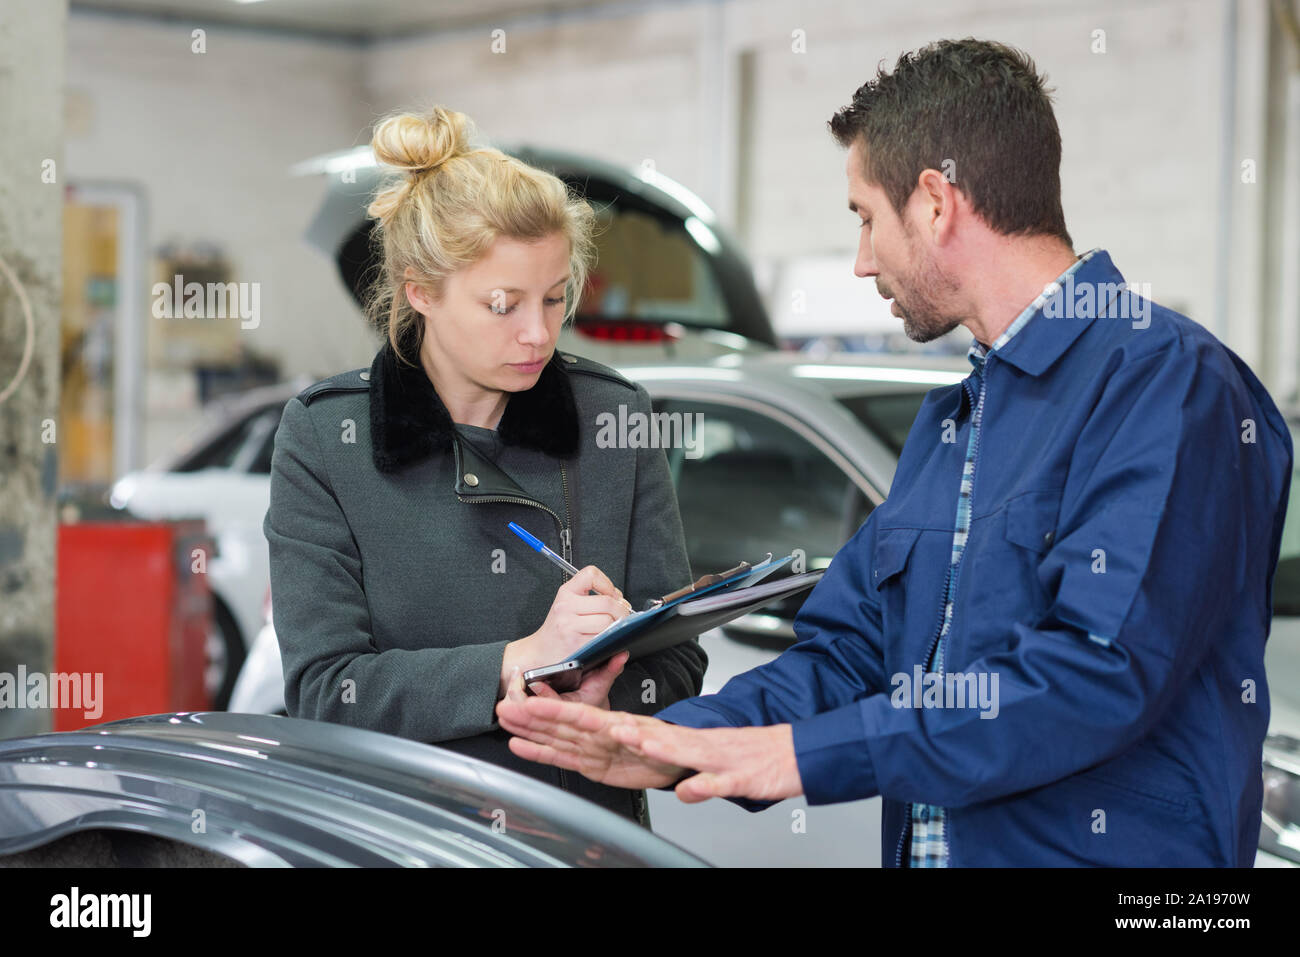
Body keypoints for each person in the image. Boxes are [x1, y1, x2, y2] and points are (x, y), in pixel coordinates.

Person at [496, 38, 1294, 866]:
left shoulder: (1168, 385)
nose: (862, 258)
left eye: (866, 218)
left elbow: (1093, 674)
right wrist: (668, 739)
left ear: (936, 202)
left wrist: (799, 758)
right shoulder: (955, 421)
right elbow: (848, 654)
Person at [263, 106, 707, 826]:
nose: (538, 333)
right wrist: (516, 660)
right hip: (407, 834)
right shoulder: (325, 437)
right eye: (503, 305)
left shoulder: (616, 419)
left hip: (583, 833)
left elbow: (679, 666)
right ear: (420, 291)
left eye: (556, 298)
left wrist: (608, 691)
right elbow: (325, 690)